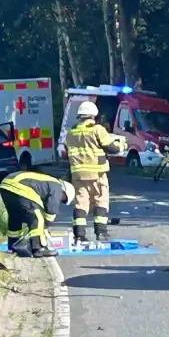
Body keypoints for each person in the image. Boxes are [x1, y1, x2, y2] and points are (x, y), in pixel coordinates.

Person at [66, 100, 126, 243]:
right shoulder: (97, 129)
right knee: (101, 201)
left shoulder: (71, 132)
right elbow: (111, 148)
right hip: (97, 173)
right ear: (93, 115)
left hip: (78, 174)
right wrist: (121, 145)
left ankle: (79, 235)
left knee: (81, 204)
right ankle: (101, 233)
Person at [0, 171, 75, 258]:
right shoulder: (57, 187)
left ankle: (13, 246)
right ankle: (38, 249)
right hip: (20, 187)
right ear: (64, 192)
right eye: (63, 200)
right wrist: (46, 224)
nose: (61, 201)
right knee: (38, 219)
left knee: (15, 217)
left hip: (6, 185)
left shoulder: (49, 182)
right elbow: (51, 208)